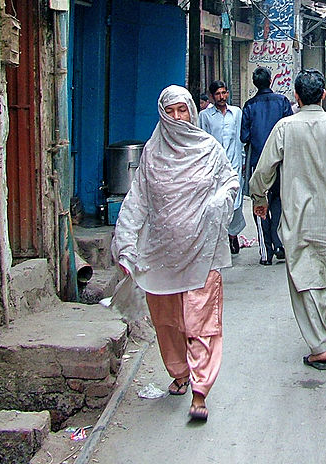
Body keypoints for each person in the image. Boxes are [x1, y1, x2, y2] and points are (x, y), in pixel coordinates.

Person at [111, 86, 239, 422]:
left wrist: (218, 202)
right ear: (162, 114)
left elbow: (230, 181)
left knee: (201, 320)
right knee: (167, 321)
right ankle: (179, 372)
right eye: (171, 112)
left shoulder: (208, 150)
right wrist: (125, 244)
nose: (178, 118)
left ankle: (200, 389)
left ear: (192, 113)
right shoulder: (152, 154)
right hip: (162, 254)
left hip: (203, 252)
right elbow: (137, 200)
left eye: (183, 110)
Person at [249, 69, 326, 370]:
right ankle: (323, 329)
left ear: (297, 97)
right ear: (325, 95)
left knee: (305, 277)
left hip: (298, 215)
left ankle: (319, 342)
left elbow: (263, 171)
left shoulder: (285, 127)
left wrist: (260, 198)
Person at [240, 66, 292, 265]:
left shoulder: (249, 106)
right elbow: (289, 129)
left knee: (260, 205)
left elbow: (243, 136)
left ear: (255, 84)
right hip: (281, 163)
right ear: (271, 81)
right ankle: (280, 244)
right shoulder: (282, 102)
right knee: (280, 202)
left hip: (258, 164)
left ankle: (265, 252)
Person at [199, 81, 245, 254]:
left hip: (234, 165)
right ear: (212, 96)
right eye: (218, 94)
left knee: (235, 202)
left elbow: (240, 139)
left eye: (224, 93)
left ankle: (233, 235)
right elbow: (202, 140)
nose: (221, 97)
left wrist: (242, 162)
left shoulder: (236, 113)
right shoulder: (205, 116)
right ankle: (221, 238)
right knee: (217, 202)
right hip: (214, 166)